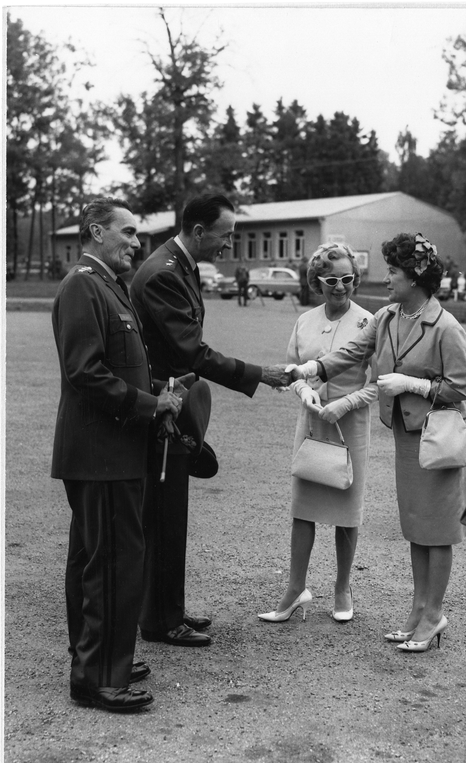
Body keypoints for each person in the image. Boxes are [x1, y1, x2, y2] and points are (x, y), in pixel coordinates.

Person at [288, 232, 466, 652]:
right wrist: (314, 366)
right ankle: (418, 610)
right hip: (408, 436)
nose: (385, 277)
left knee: (438, 529)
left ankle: (434, 612)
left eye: (392, 271)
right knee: (416, 526)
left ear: (415, 277)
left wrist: (414, 384)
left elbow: (459, 388)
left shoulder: (446, 326)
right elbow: (353, 352)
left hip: (438, 438)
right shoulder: (388, 316)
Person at [130, 193, 290, 648]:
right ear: (199, 231)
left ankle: (168, 610)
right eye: (226, 235)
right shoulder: (164, 273)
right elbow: (189, 352)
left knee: (170, 513)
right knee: (163, 516)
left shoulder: (179, 264)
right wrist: (258, 374)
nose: (229, 245)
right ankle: (160, 621)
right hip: (163, 408)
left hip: (173, 403)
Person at [52, 198, 183, 712]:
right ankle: (97, 677)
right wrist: (153, 405)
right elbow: (84, 372)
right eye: (127, 233)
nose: (136, 242)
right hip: (101, 451)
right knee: (111, 561)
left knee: (96, 557)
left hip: (110, 449)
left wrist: (160, 389)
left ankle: (99, 656)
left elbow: (118, 366)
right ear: (95, 232)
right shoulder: (84, 285)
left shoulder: (107, 284)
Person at [258, 243, 377, 624]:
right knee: (303, 505)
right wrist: (302, 389)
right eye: (331, 280)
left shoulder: (370, 322)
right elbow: (292, 369)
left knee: (347, 505)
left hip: (350, 421)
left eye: (347, 279)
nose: (340, 287)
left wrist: (348, 402)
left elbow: (379, 383)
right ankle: (296, 587)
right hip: (310, 419)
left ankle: (343, 587)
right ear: (317, 281)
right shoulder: (304, 320)